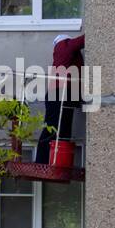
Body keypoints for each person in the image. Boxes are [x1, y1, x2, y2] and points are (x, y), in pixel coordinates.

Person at [35, 34, 85, 164]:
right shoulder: (65, 45)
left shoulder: (63, 54)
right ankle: (43, 162)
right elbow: (83, 39)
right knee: (54, 128)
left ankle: (56, 161)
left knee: (60, 129)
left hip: (62, 95)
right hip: (59, 94)